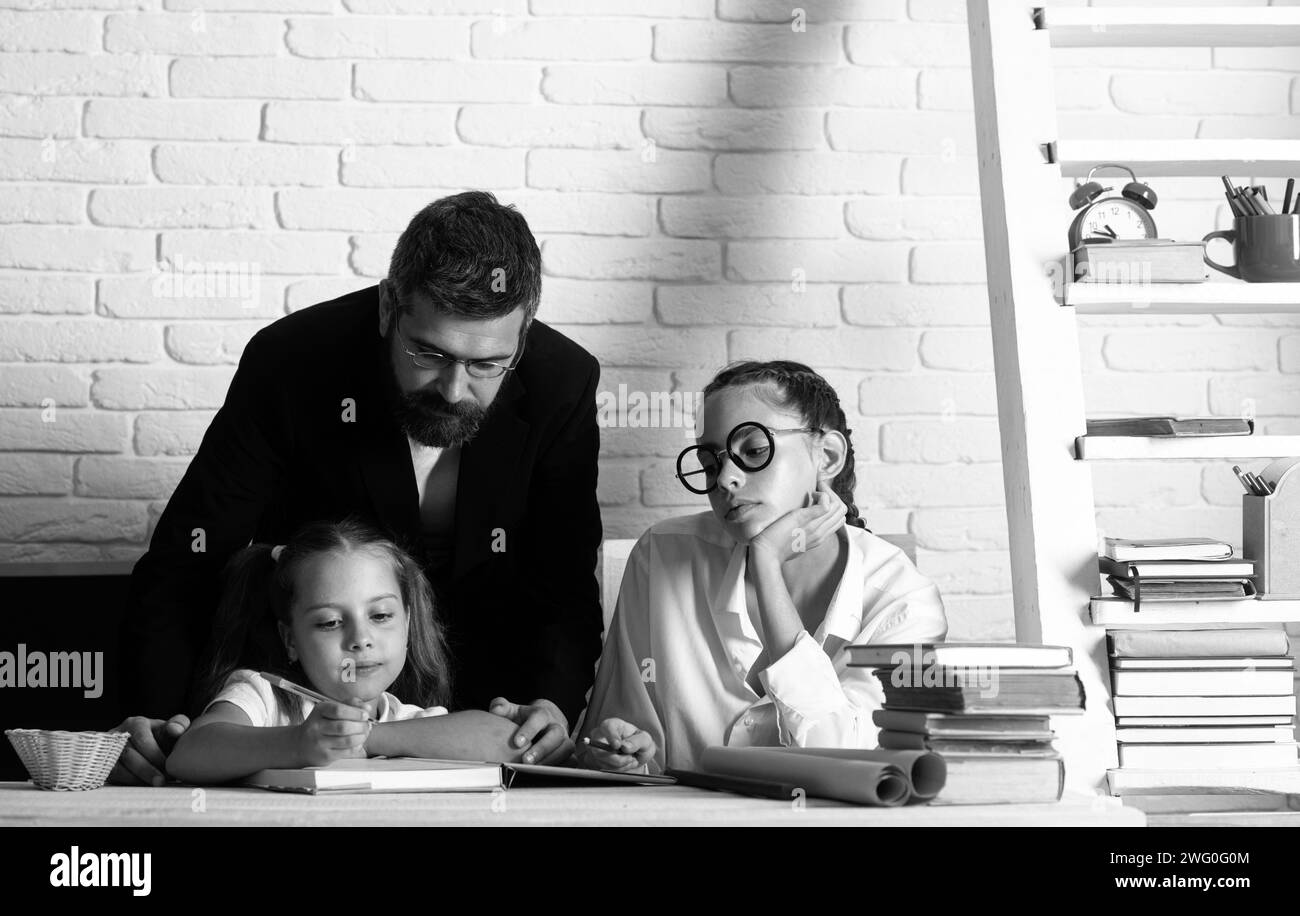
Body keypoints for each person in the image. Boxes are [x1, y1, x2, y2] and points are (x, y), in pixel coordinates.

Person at [115, 191, 603, 785]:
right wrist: (156, 714)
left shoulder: (564, 381)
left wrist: (551, 706)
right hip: (294, 712)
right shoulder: (290, 364)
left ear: (522, 339)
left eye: (486, 365)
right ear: (386, 309)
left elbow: (565, 583)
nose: (453, 389)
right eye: (428, 352)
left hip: (474, 710)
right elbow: (190, 555)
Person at [577, 360, 948, 774]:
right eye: (711, 463)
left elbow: (848, 764)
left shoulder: (904, 602)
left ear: (826, 456)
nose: (725, 480)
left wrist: (767, 565)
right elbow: (615, 744)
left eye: (754, 451)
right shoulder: (661, 555)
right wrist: (623, 753)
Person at [168, 520, 526, 785]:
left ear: (407, 625)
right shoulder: (263, 694)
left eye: (381, 616)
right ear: (290, 639)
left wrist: (368, 737)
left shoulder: (401, 718)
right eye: (330, 623)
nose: (361, 639)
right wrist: (297, 743)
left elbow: (508, 742)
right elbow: (190, 753)